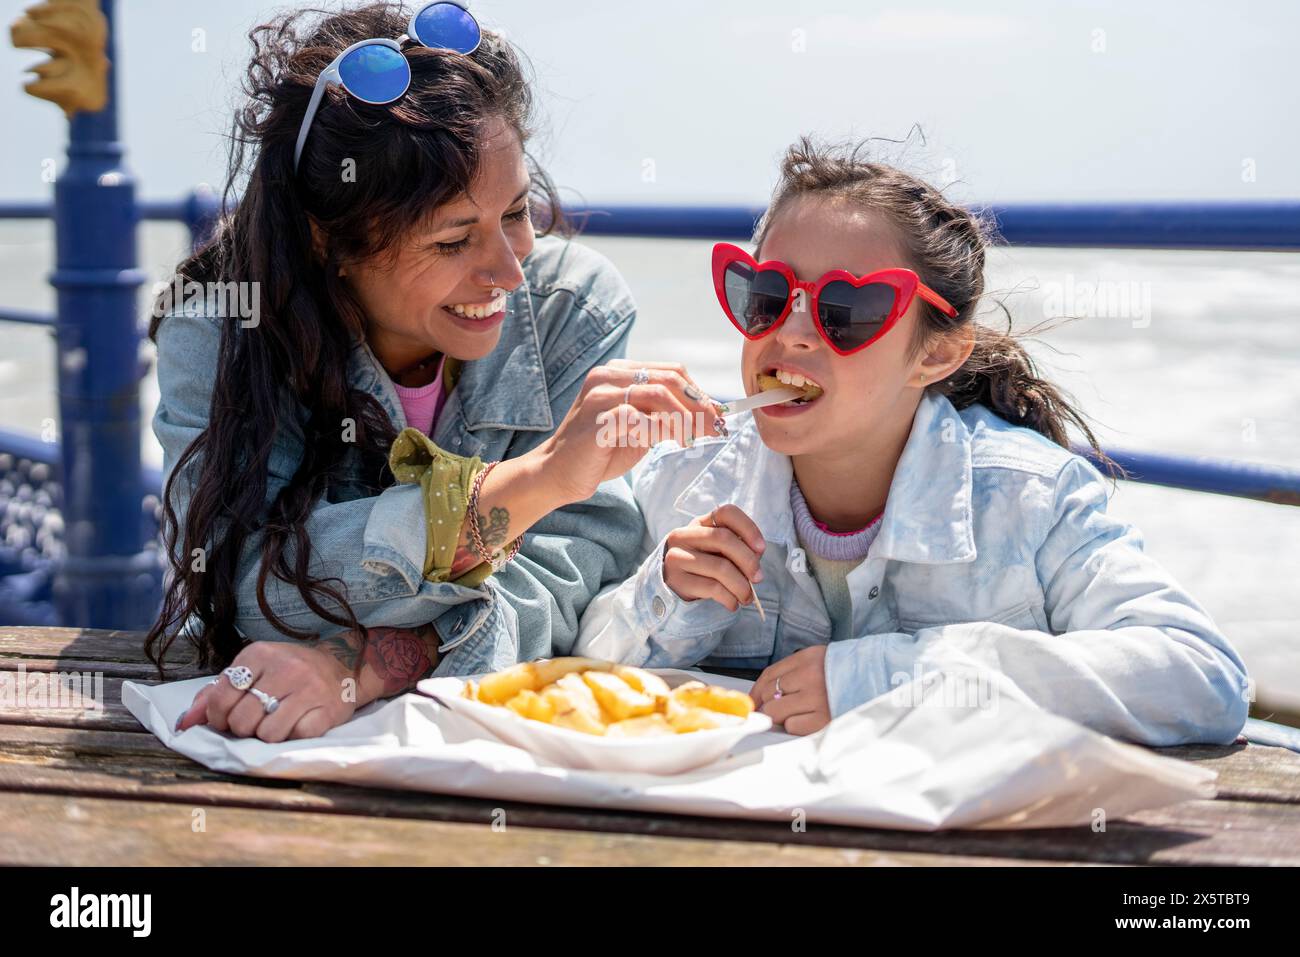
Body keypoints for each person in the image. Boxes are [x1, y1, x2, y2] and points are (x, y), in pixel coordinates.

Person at [152, 3, 716, 741]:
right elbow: (243, 582)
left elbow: (577, 572)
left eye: (517, 212)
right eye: (455, 241)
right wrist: (536, 482)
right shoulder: (221, 330)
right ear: (329, 239)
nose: (511, 271)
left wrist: (361, 663)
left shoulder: (573, 308)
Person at [576, 137, 1250, 747]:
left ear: (938, 353)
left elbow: (1201, 674)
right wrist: (658, 595)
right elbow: (575, 673)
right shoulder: (685, 481)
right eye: (769, 295)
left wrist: (894, 679)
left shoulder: (1027, 498)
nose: (794, 333)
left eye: (846, 309)